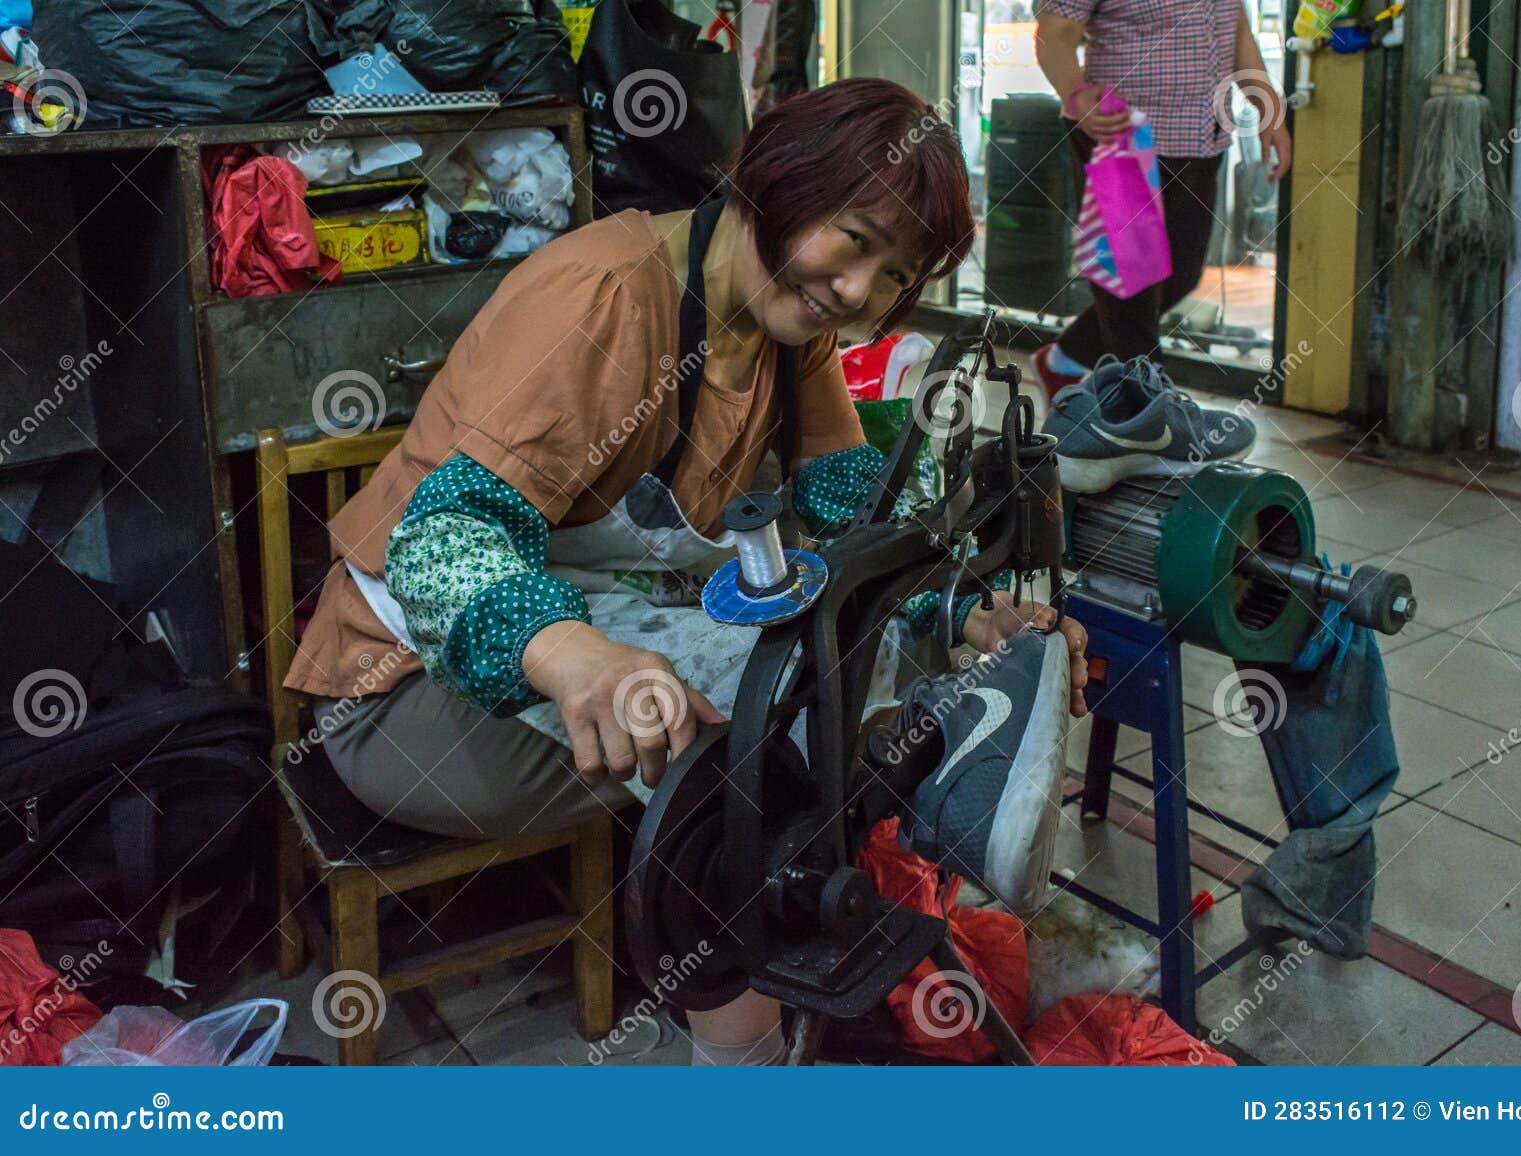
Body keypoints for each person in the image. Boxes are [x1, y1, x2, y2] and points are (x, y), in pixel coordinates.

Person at [283, 78, 1089, 1065]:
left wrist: (957, 612)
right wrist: (580, 658)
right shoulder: (606, 296)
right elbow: (437, 544)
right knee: (760, 729)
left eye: (891, 276)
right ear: (778, 180)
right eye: (853, 239)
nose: (856, 291)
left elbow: (850, 515)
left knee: (804, 672)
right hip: (408, 698)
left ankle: (916, 801)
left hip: (600, 626)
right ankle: (749, 1051)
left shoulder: (780, 322)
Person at [1030, 0, 1292, 396]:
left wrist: (1267, 108)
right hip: (1121, 134)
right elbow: (1055, 33)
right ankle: (1146, 414)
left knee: (1180, 274)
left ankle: (1065, 358)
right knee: (1131, 283)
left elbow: (1235, 28)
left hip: (1201, 137)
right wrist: (1075, 93)